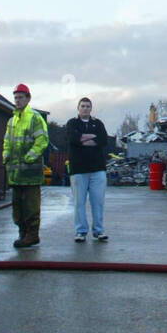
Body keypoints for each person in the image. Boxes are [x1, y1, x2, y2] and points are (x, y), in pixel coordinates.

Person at [2, 84, 48, 249]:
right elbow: (7, 141)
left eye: (21, 97)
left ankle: (32, 234)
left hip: (31, 173)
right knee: (18, 207)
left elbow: (42, 141)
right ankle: (23, 233)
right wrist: (5, 156)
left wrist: (29, 157)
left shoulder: (35, 118)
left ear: (28, 99)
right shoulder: (12, 120)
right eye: (16, 97)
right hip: (15, 174)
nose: (17, 100)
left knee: (31, 206)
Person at [66, 97, 109, 242]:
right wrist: (91, 139)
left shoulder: (98, 124)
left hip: (98, 170)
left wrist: (81, 140)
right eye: (82, 106)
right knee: (79, 202)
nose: (85, 108)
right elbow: (73, 138)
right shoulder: (72, 123)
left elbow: (103, 140)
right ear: (78, 108)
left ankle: (98, 231)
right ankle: (81, 231)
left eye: (88, 106)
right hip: (78, 170)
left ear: (91, 108)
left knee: (98, 202)